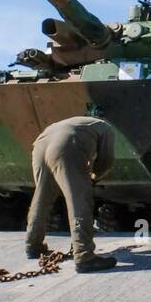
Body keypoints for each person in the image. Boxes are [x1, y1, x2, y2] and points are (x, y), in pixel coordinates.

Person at [25, 116, 117, 273]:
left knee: (42, 196)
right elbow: (106, 161)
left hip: (41, 144)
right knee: (79, 200)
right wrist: (93, 178)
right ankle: (84, 257)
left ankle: (33, 246)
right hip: (65, 146)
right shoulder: (106, 128)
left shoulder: (79, 123)